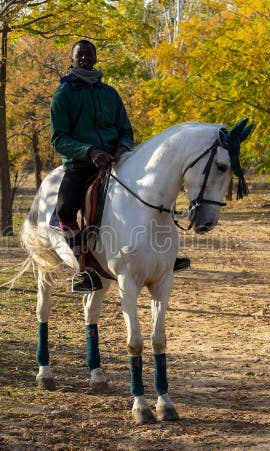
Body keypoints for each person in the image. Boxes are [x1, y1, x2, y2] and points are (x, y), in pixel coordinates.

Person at [50, 40, 188, 293]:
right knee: (65, 209)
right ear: (72, 59)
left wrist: (123, 148)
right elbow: (59, 138)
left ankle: (165, 258)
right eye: (79, 55)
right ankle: (85, 267)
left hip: (118, 162)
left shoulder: (110, 94)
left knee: (156, 192)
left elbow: (125, 130)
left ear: (95, 58)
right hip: (81, 165)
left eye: (88, 55)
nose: (84, 59)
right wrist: (89, 151)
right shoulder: (64, 95)